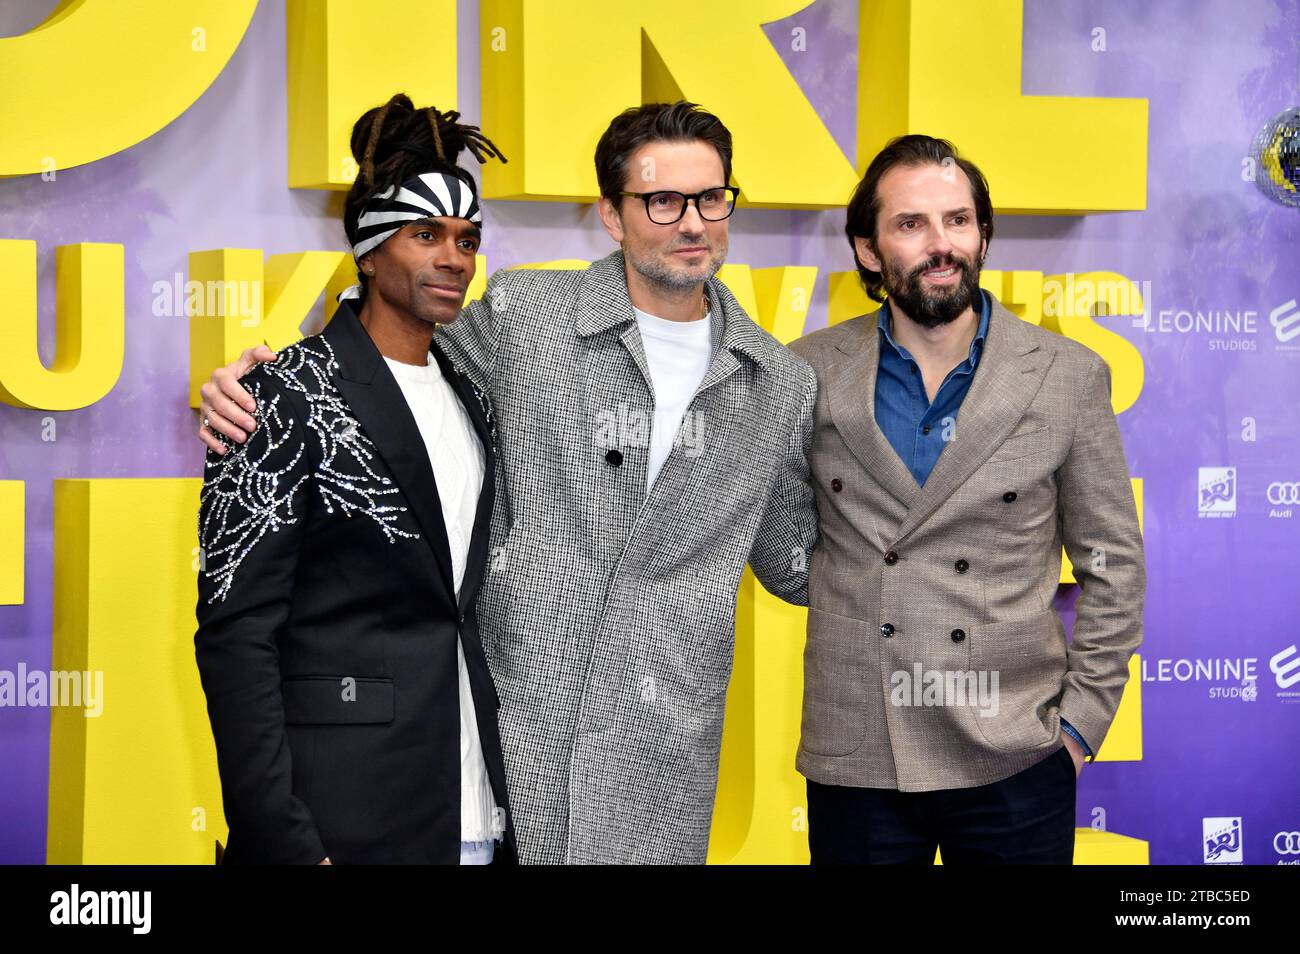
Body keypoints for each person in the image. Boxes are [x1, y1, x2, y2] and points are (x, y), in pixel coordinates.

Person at [197, 101, 820, 864]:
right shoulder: (525, 320)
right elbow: (380, 353)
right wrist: (250, 384)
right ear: (613, 215)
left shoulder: (779, 383)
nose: (691, 220)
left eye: (711, 197)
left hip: (658, 767)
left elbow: (799, 562)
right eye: (662, 199)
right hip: (508, 759)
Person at [788, 134, 1146, 864]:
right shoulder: (808, 372)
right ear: (867, 248)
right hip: (858, 751)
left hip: (1014, 753)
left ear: (983, 234)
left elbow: (1113, 565)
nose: (940, 243)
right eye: (911, 224)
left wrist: (1077, 729)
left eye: (958, 220)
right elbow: (774, 527)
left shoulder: (1067, 377)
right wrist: (836, 586)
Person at [195, 94, 515, 864]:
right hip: (344, 822)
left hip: (476, 812)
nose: (454, 258)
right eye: (425, 235)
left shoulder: (475, 393)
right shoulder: (282, 395)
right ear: (369, 253)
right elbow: (237, 638)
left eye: (468, 239)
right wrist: (285, 840)